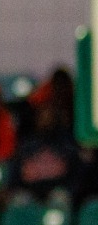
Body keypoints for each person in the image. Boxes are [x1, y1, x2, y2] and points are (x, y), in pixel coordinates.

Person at [11, 68, 88, 203]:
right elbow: (15, 176)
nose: (46, 117)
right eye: (42, 113)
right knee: (20, 200)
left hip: (58, 193)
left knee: (59, 198)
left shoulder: (66, 144)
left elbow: (76, 176)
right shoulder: (27, 145)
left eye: (50, 113)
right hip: (30, 194)